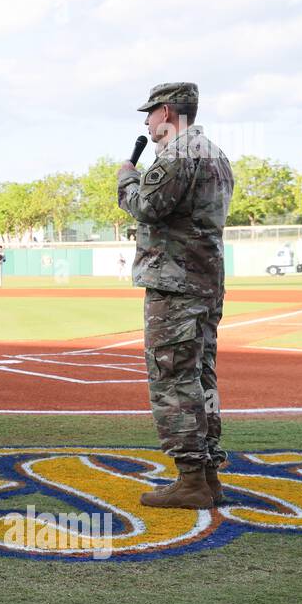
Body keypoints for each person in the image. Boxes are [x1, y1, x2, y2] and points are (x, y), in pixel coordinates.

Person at [118, 82, 233, 509]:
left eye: (149, 114)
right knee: (201, 375)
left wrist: (126, 179)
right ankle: (208, 475)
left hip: (174, 282)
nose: (146, 122)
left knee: (172, 378)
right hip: (204, 281)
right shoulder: (214, 154)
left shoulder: (178, 154)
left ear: (165, 112)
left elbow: (148, 206)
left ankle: (190, 480)